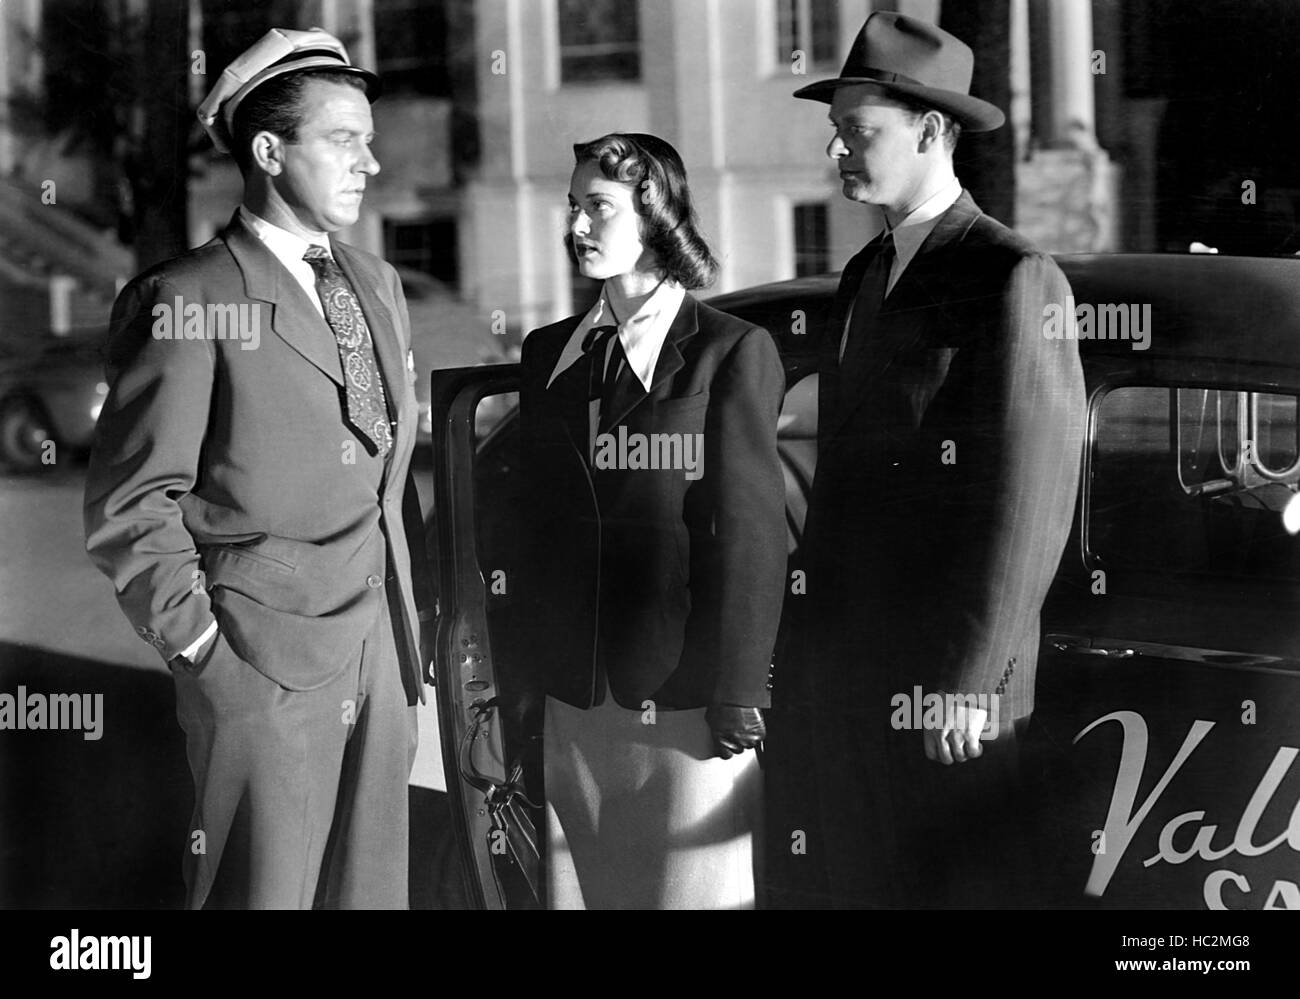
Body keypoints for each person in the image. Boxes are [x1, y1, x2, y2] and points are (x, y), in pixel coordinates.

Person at [83, 28, 433, 909]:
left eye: (369, 139)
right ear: (269, 150)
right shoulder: (189, 297)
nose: (371, 164)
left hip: (384, 658)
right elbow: (132, 504)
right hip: (260, 664)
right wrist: (208, 656)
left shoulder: (378, 282)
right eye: (343, 139)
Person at [771, 11, 1087, 907]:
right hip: (854, 675)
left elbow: (1030, 497)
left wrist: (970, 680)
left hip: (951, 691)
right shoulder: (865, 274)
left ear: (933, 131)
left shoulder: (1011, 276)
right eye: (838, 133)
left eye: (859, 132)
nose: (840, 151)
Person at [514, 133, 786, 909]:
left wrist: (740, 686)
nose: (576, 226)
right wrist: (524, 674)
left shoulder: (730, 351)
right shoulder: (547, 357)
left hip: (690, 702)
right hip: (573, 701)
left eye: (597, 207)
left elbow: (750, 532)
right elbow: (534, 532)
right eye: (571, 207)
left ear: (655, 213)